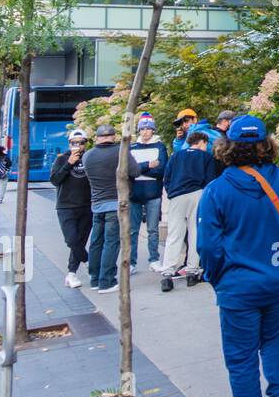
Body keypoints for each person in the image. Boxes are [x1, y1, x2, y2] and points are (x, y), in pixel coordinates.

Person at [197, 115, 279, 397]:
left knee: (241, 359)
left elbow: (209, 247)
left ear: (228, 146)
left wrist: (216, 279)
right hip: (276, 278)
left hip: (237, 284)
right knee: (272, 338)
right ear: (266, 145)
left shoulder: (217, 190)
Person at [83, 123, 160, 294]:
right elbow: (134, 171)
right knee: (111, 242)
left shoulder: (87, 155)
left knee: (96, 242)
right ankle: (107, 281)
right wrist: (148, 164)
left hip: (96, 204)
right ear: (113, 137)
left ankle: (94, 278)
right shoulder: (121, 153)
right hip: (115, 202)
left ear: (97, 137)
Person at [159, 129, 218, 281]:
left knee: (174, 233)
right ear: (202, 142)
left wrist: (171, 191)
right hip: (197, 193)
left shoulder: (177, 155)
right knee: (195, 232)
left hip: (177, 195)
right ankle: (193, 268)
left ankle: (168, 270)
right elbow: (210, 180)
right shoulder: (206, 157)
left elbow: (167, 176)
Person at [50, 130, 92, 289]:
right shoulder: (62, 159)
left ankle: (71, 273)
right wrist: (69, 164)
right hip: (66, 206)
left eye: (82, 142)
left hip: (87, 205)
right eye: (75, 142)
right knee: (72, 240)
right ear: (69, 144)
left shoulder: (89, 157)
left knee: (80, 240)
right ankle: (88, 261)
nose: (78, 146)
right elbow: (55, 180)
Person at [127, 117, 168, 274]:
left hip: (153, 193)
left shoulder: (160, 147)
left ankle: (154, 259)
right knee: (133, 230)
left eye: (148, 128)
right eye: (142, 129)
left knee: (153, 229)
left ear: (153, 130)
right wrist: (147, 165)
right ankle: (131, 262)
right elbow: (129, 170)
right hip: (134, 194)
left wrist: (139, 169)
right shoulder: (132, 147)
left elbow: (161, 170)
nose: (145, 132)